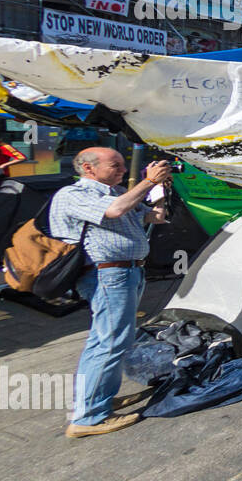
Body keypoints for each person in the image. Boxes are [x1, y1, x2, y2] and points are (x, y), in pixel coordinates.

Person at [50, 148, 171, 438]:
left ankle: (96, 399)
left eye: (122, 164)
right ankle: (88, 418)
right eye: (114, 164)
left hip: (127, 272)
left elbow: (155, 217)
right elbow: (115, 210)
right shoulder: (73, 194)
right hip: (107, 274)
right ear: (89, 168)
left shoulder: (116, 192)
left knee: (108, 339)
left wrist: (161, 190)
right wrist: (147, 183)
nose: (122, 168)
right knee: (110, 341)